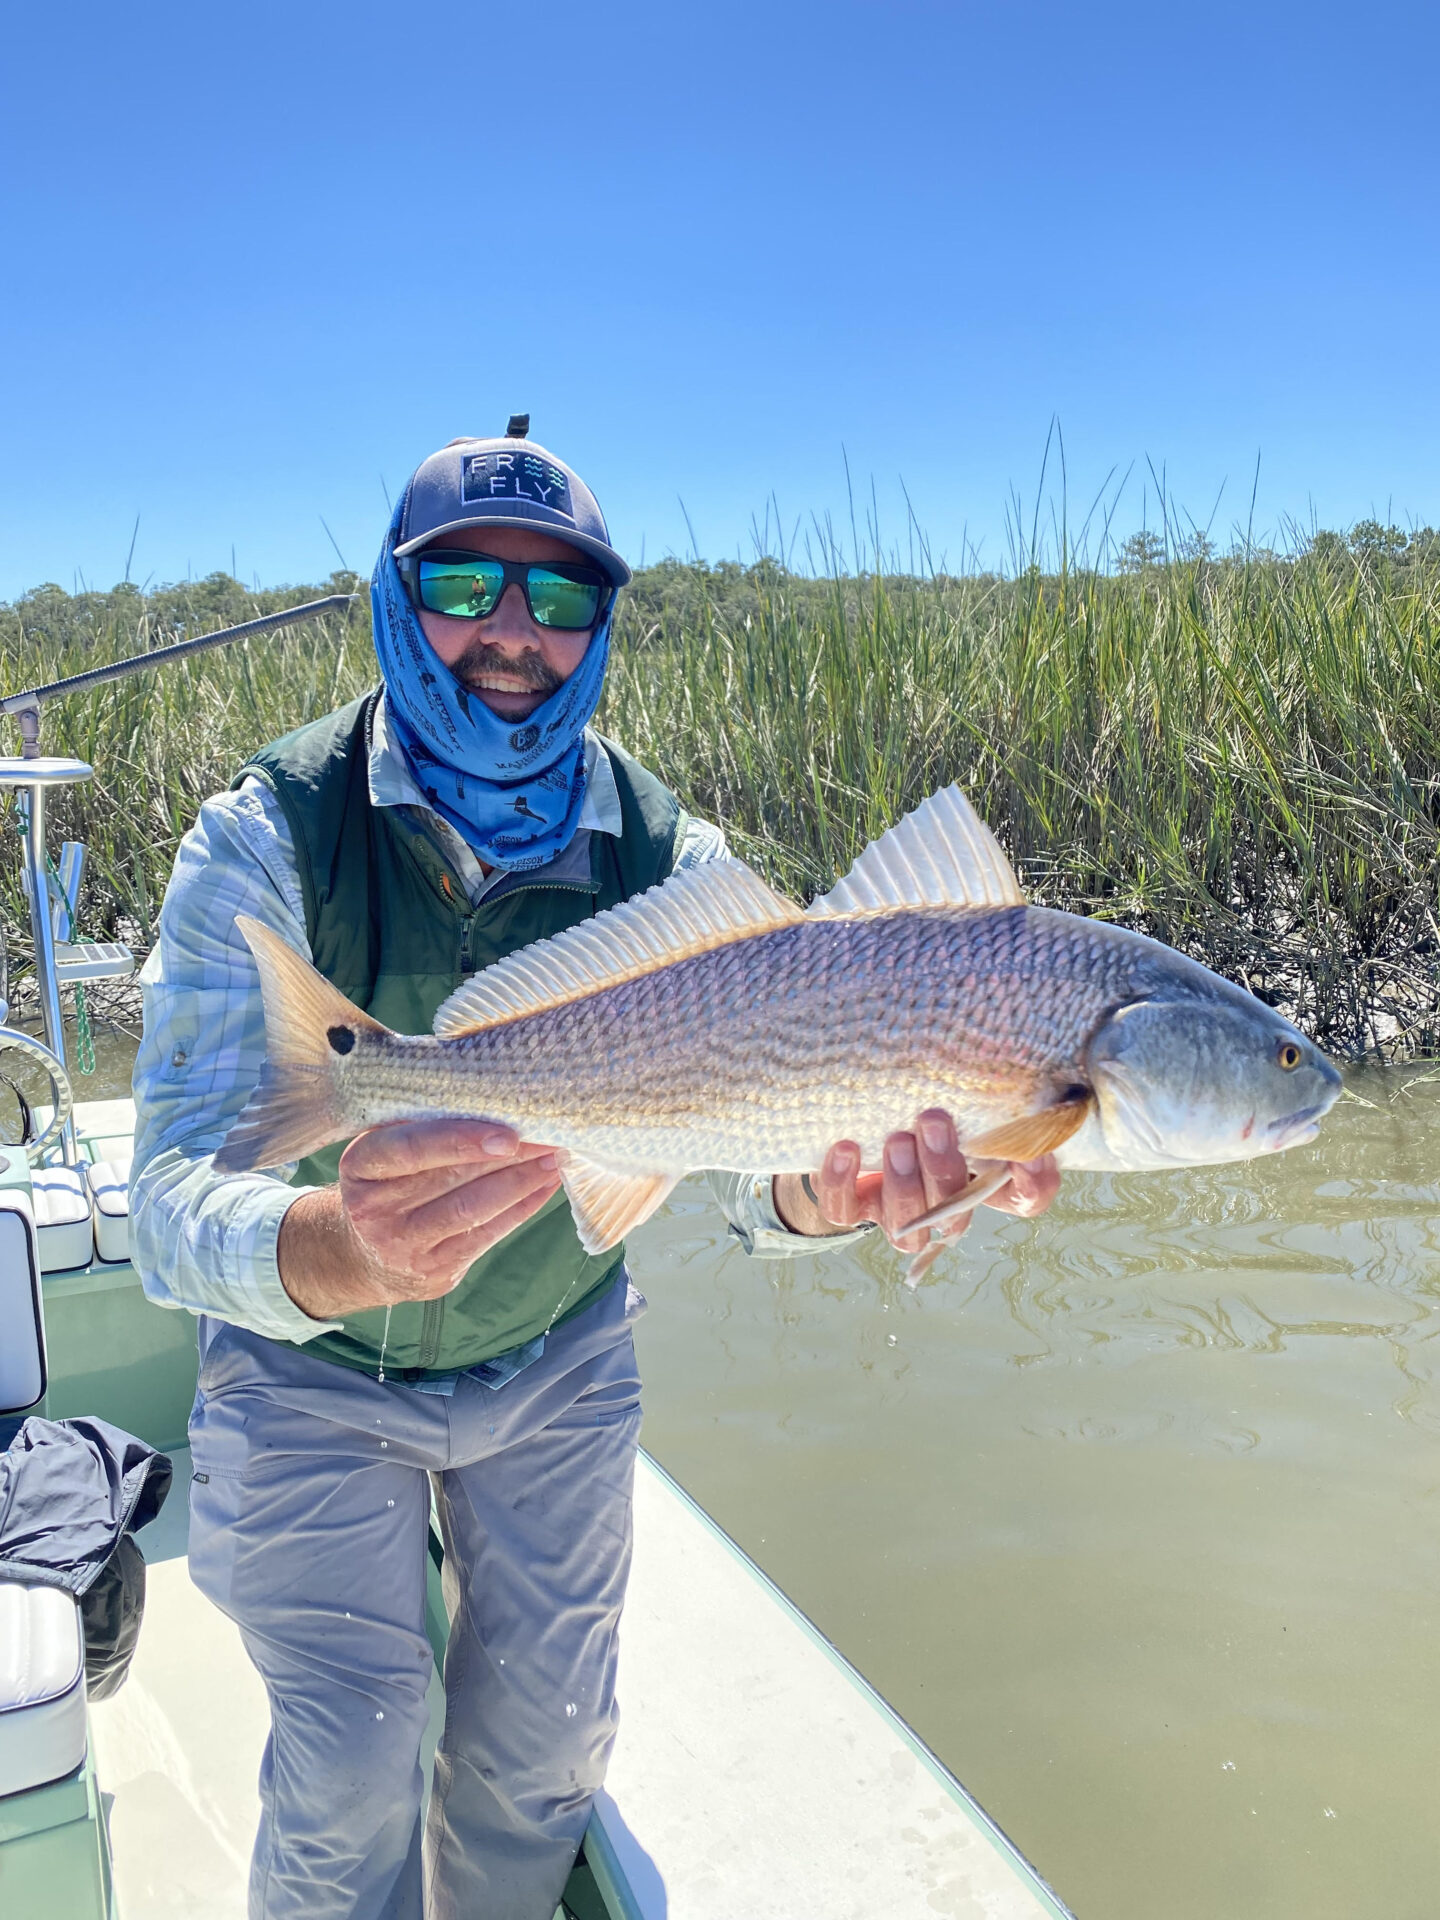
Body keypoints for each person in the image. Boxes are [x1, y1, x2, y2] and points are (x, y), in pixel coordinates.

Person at [130, 424, 1060, 1920]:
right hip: (307, 1384)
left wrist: (836, 1194)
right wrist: (333, 1249)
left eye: (562, 600)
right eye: (468, 585)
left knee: (545, 1765)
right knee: (353, 1763)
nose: (514, 632)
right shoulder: (262, 834)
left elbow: (755, 1169)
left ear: (603, 626)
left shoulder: (680, 860)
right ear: (395, 592)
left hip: (557, 1365)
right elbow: (166, 1207)